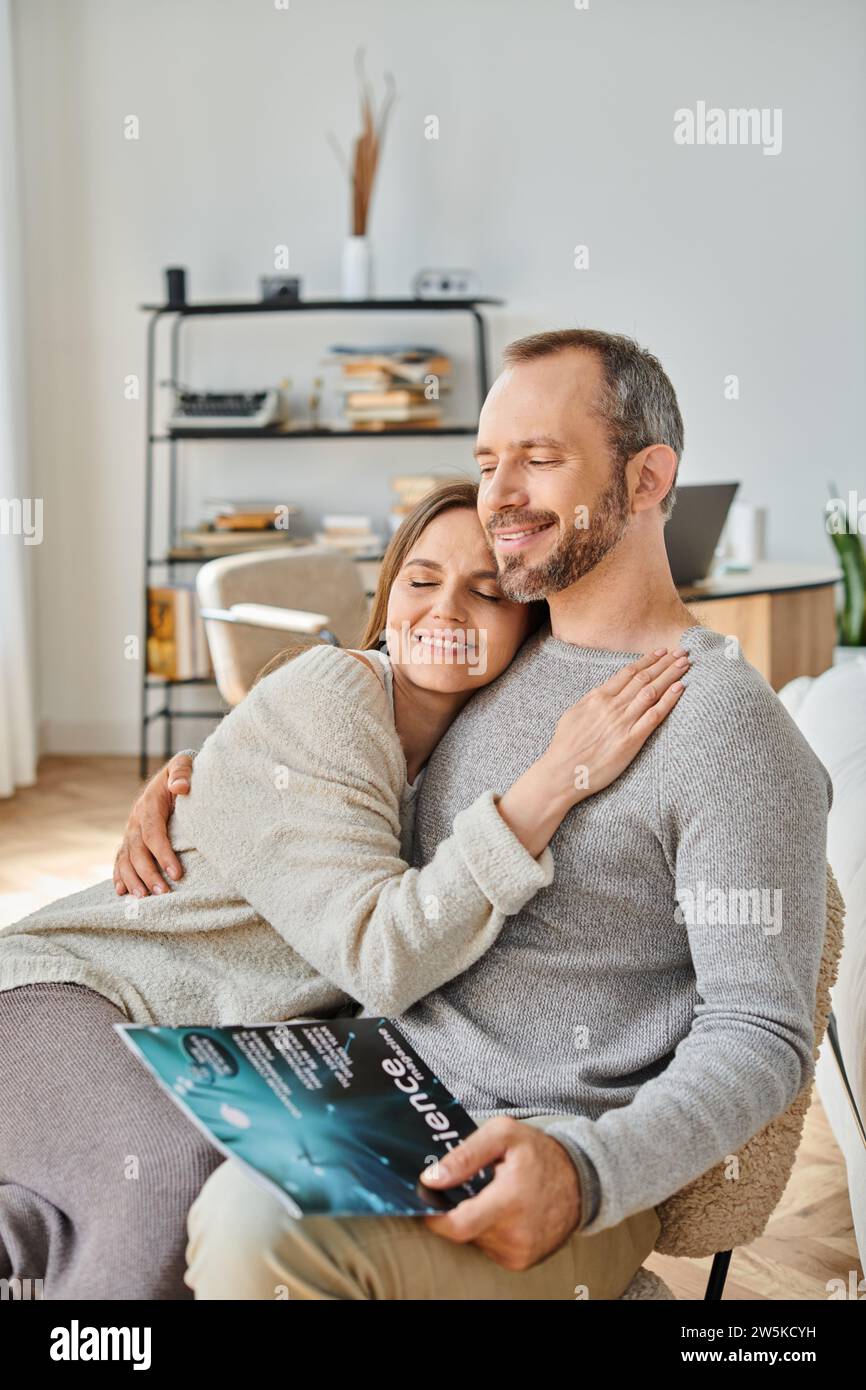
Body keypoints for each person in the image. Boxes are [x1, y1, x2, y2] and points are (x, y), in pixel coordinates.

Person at [131, 328, 832, 1302]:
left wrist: (586, 1174)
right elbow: (359, 816)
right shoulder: (495, 660)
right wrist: (200, 784)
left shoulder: (723, 728)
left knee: (256, 1232)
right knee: (133, 1204)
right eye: (486, 462)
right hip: (364, 1091)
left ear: (643, 480)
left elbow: (759, 1030)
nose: (499, 493)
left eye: (538, 459)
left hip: (539, 1151)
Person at [0, 478, 686, 1300]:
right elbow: (379, 956)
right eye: (421, 580)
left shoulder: (474, 752)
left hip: (213, 1049)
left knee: (101, 1220)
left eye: (488, 590)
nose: (445, 612)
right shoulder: (337, 692)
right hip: (76, 992)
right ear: (388, 589)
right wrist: (552, 785)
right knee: (169, 1184)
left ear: (531, 620)